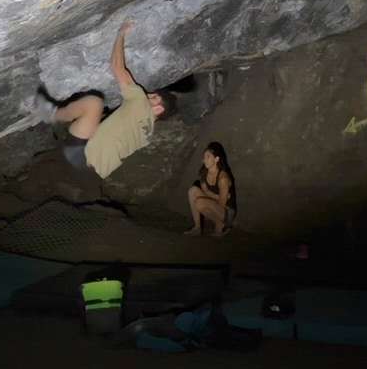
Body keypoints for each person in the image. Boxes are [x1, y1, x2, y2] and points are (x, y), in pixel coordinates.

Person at [35, 20, 176, 178]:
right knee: (103, 118)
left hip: (79, 151)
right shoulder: (147, 133)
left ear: (158, 109)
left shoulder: (140, 102)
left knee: (94, 103)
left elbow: (117, 66)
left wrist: (121, 33)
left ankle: (53, 114)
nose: (148, 94)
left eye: (154, 97)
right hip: (89, 169)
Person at [184, 141, 236, 238]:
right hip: (214, 203)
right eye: (204, 157)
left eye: (208, 157)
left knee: (200, 202)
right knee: (192, 191)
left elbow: (221, 204)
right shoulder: (204, 173)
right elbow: (206, 193)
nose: (204, 160)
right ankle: (197, 228)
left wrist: (209, 195)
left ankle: (222, 226)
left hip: (226, 212)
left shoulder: (223, 177)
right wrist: (214, 195)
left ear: (216, 159)